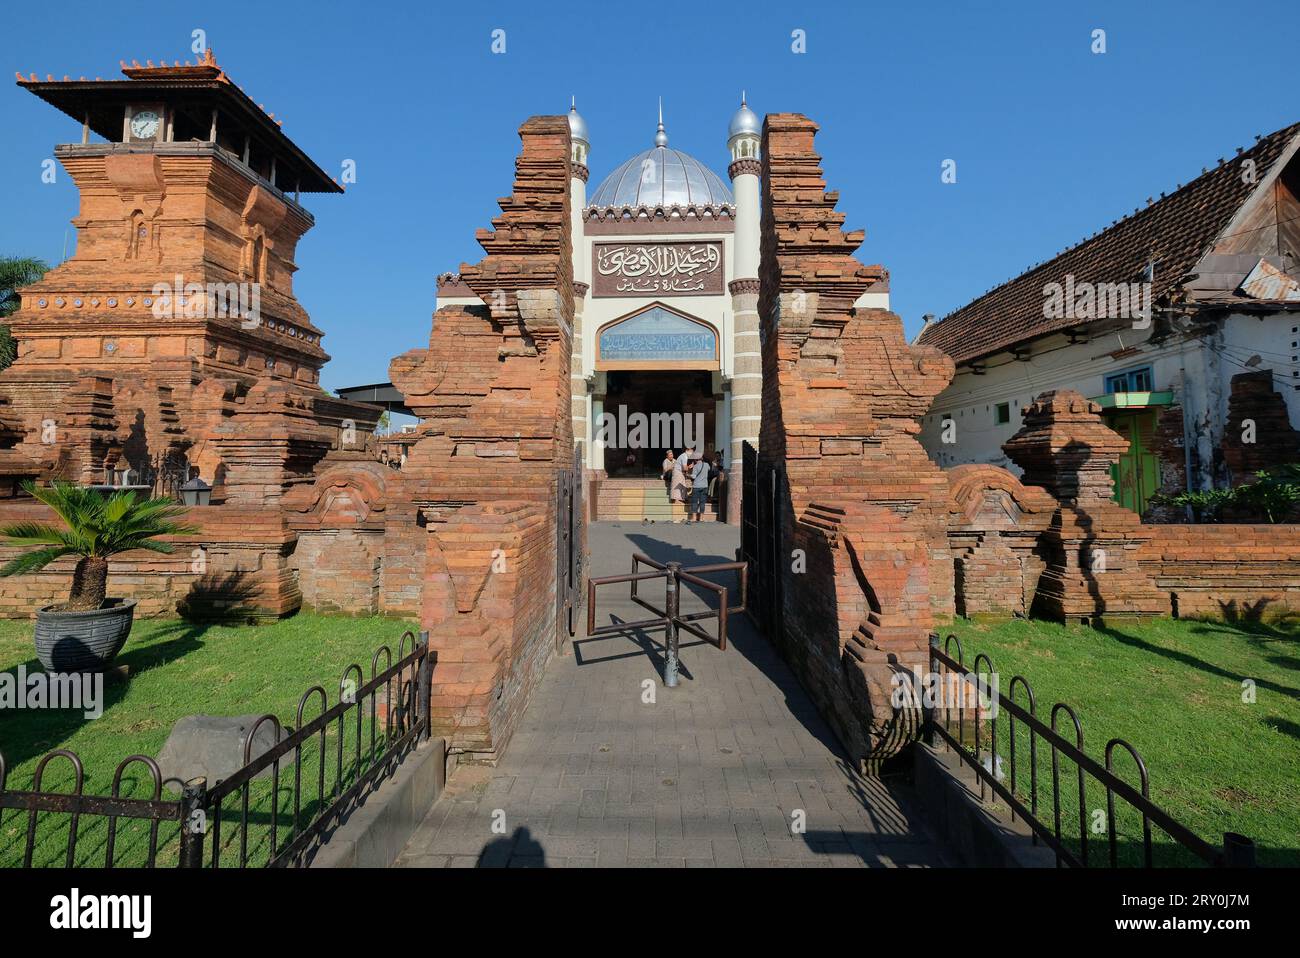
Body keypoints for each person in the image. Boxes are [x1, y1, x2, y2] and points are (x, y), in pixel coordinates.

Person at [689, 449, 710, 522]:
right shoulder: (707, 465)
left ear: (695, 459)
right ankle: (702, 518)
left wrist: (689, 474)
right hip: (705, 486)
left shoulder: (695, 466)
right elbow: (709, 470)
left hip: (697, 486)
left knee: (694, 502)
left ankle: (694, 518)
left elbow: (694, 476)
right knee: (702, 502)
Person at [670, 448, 688, 521]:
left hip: (680, 473)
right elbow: (684, 468)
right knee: (677, 486)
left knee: (682, 485)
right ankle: (676, 500)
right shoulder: (684, 456)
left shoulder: (684, 456)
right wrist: (690, 467)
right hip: (678, 473)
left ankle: (682, 498)